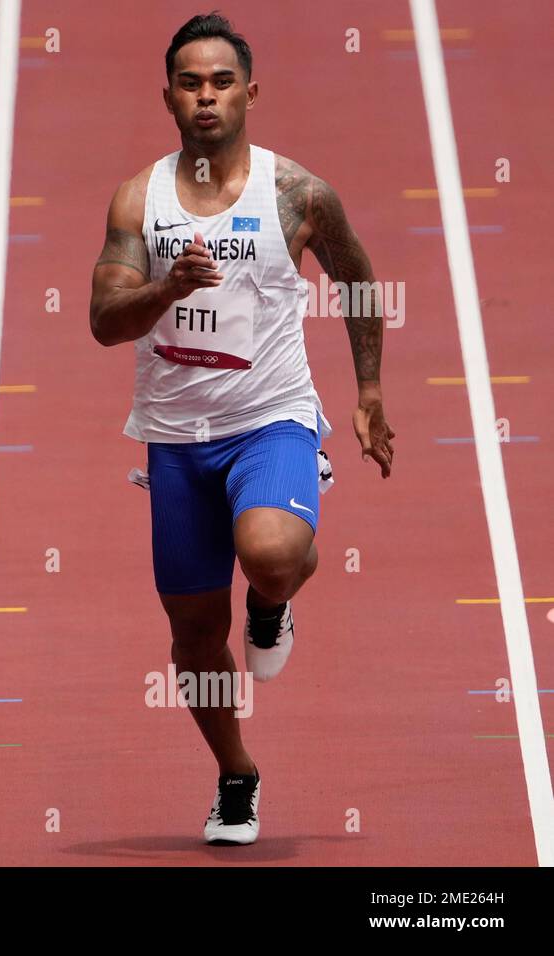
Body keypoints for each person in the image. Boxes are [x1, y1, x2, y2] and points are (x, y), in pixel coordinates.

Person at [89, 14, 394, 844]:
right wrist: (164, 289)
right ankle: (235, 773)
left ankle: (274, 596)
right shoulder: (137, 200)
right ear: (169, 98)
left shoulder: (296, 192)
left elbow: (359, 278)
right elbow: (104, 321)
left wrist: (367, 390)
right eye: (191, 83)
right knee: (193, 635)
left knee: (270, 554)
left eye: (221, 82)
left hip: (272, 419)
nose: (207, 97)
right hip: (177, 438)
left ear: (250, 93)